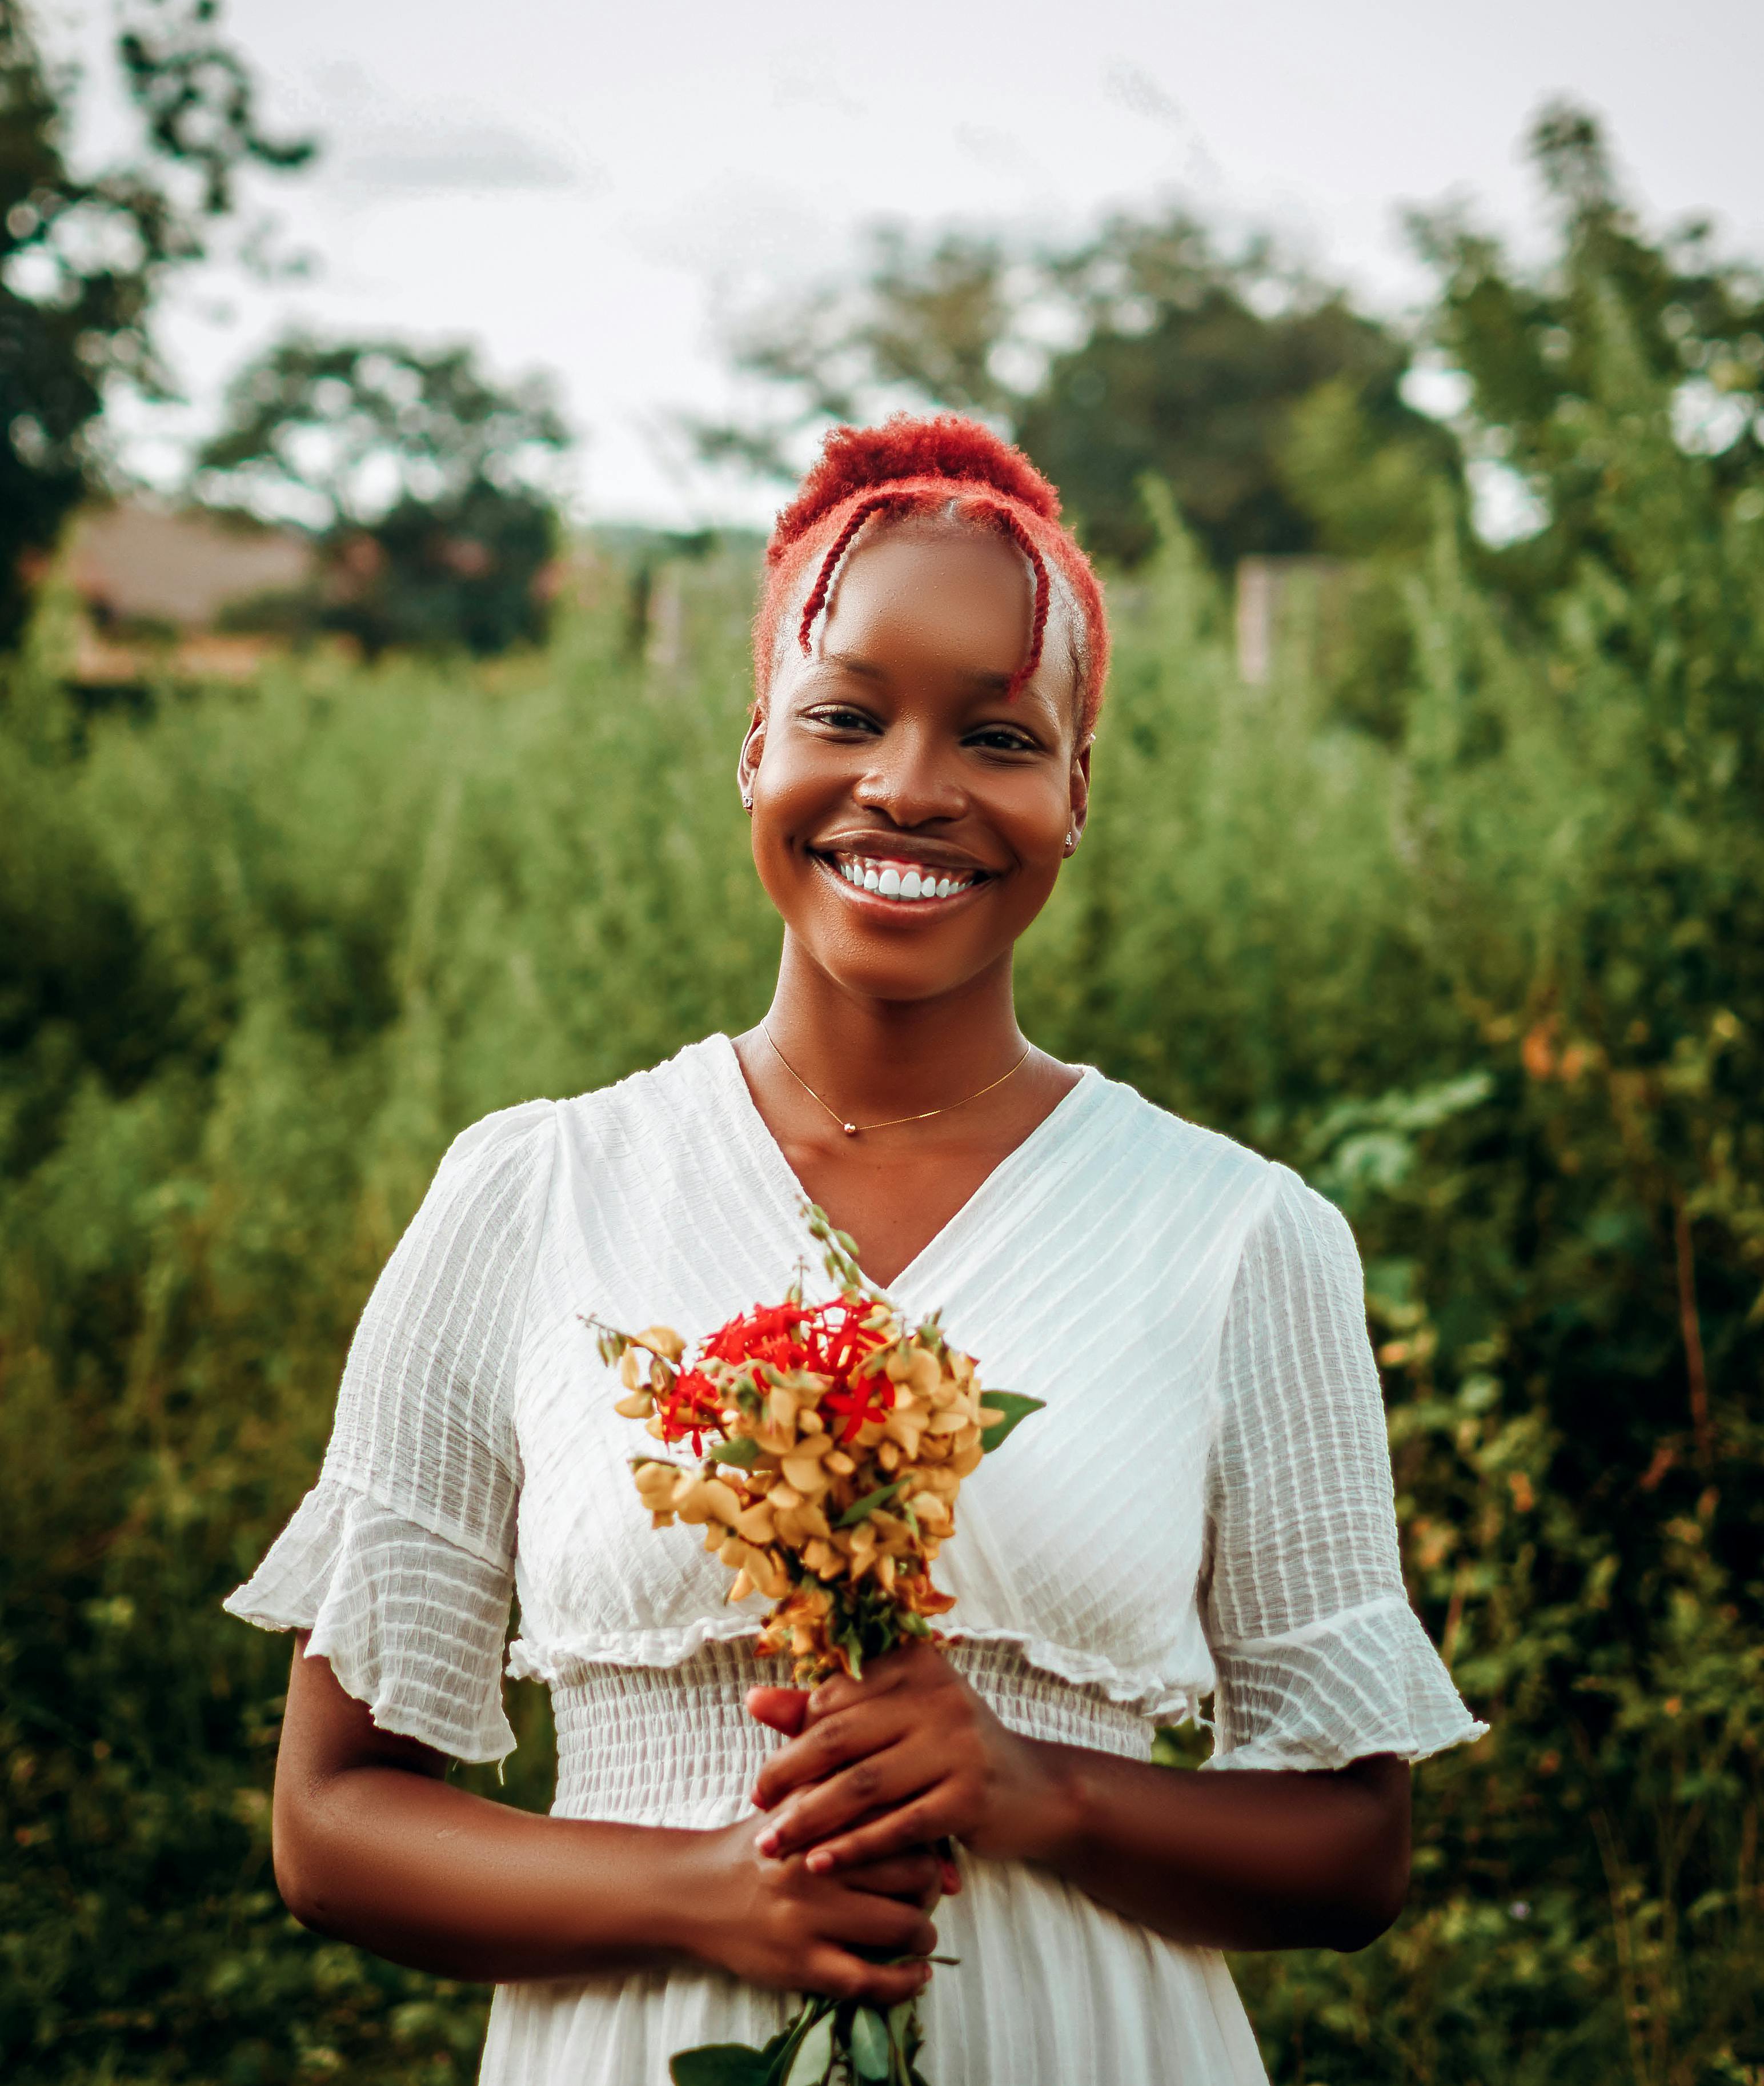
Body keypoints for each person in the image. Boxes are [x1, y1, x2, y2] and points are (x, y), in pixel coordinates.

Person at [228, 415, 1482, 2084]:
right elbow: (332, 1823)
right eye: (846, 714)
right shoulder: (531, 1192)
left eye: (996, 732)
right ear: (755, 745)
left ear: (1074, 789)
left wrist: (1045, 1789)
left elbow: (1353, 1852)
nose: (910, 784)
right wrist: (702, 1892)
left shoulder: (1244, 1237)